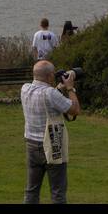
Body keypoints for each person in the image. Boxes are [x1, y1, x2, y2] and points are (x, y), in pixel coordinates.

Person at [21, 61, 79, 204]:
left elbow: (47, 96)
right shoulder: (50, 93)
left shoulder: (25, 89)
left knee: (31, 190)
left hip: (31, 144)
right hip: (52, 144)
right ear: (50, 76)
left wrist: (59, 87)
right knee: (58, 192)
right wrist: (70, 88)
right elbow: (75, 110)